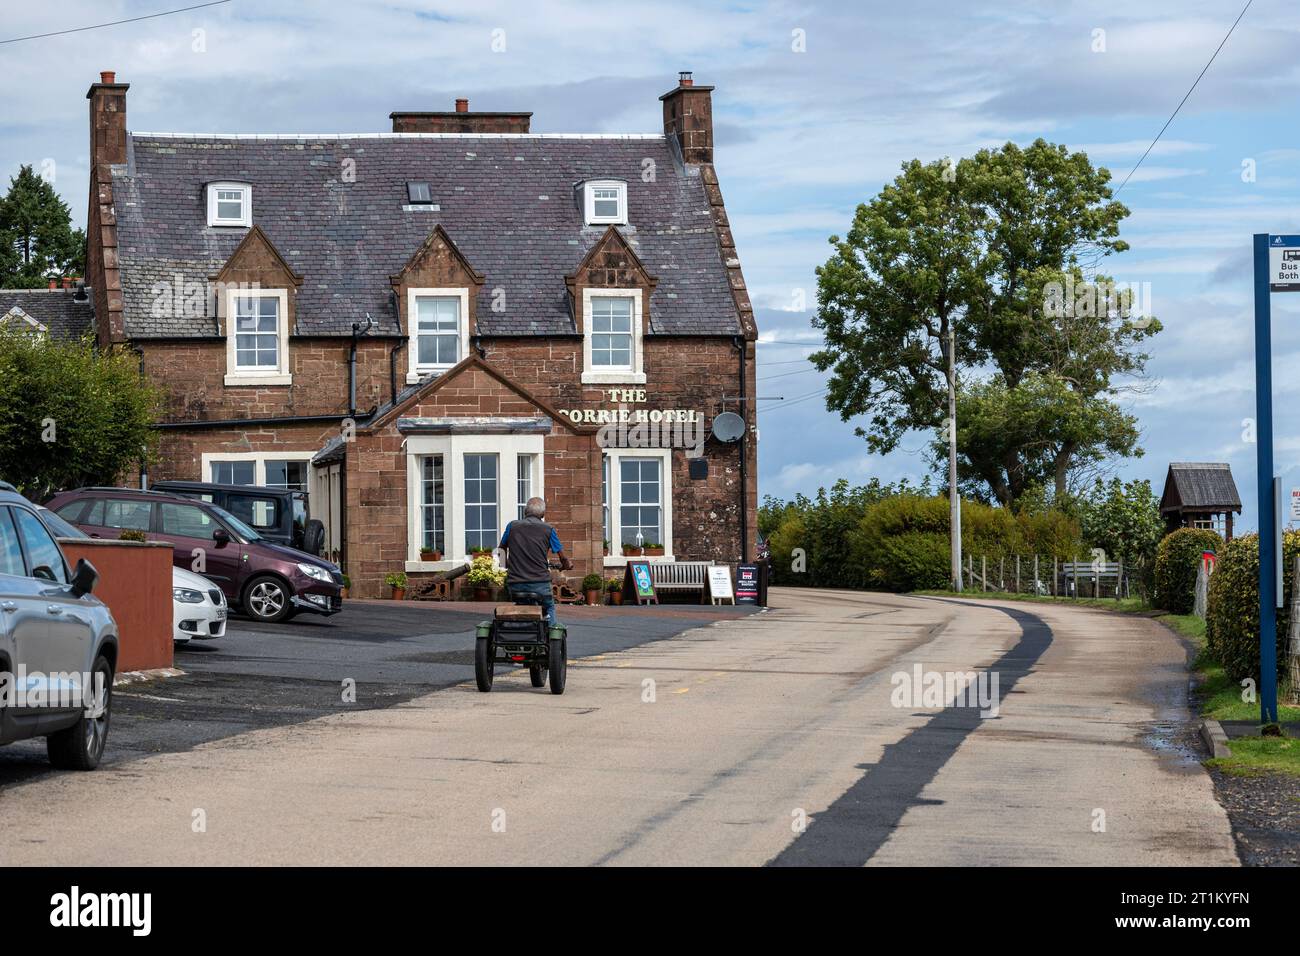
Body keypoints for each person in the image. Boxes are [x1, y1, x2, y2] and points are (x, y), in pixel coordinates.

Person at [499, 496, 571, 626]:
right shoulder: (548, 530)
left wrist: (505, 565)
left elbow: (501, 549)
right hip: (540, 583)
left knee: (521, 604)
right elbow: (563, 557)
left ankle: (520, 633)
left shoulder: (512, 526)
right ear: (543, 514)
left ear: (525, 512)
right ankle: (550, 637)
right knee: (549, 607)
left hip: (515, 583)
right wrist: (566, 565)